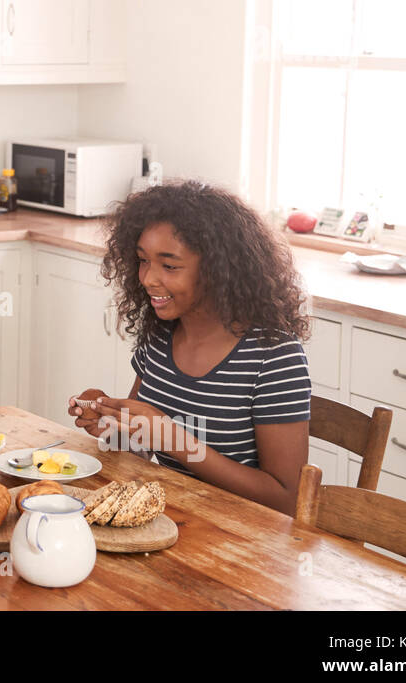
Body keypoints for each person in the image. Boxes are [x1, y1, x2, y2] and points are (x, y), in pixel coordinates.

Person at [68, 180, 311, 516]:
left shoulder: (273, 355)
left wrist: (176, 441)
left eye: (170, 266)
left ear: (218, 271)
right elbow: (140, 447)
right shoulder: (161, 335)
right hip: (175, 519)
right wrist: (111, 426)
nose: (149, 279)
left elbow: (286, 499)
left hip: (243, 539)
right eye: (142, 260)